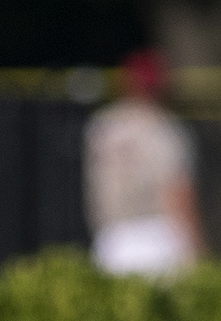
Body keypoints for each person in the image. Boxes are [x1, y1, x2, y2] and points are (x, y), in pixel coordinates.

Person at [82, 50, 204, 279]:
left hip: (111, 238)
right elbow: (178, 193)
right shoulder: (165, 128)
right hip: (157, 237)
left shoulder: (102, 127)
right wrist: (197, 247)